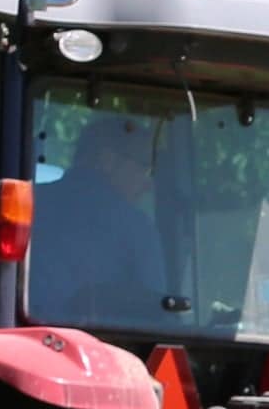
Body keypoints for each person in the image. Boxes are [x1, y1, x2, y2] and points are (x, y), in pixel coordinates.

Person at [25, 104, 171, 328]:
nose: (148, 184)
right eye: (145, 167)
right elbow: (155, 312)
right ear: (107, 160)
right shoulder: (137, 228)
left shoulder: (26, 204)